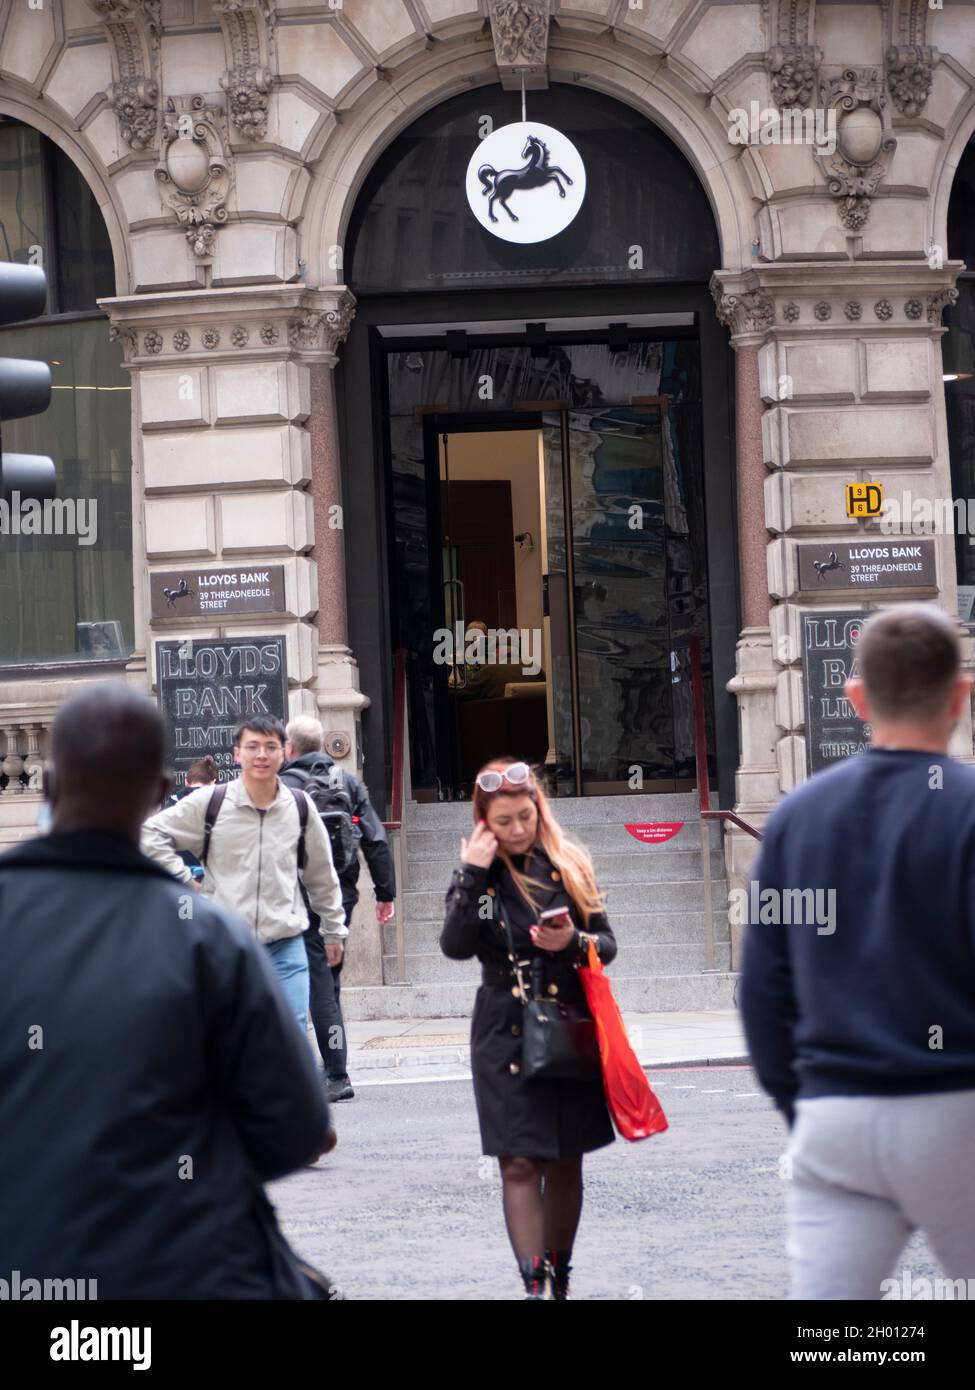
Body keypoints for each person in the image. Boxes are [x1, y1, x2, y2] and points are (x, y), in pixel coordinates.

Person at [0, 683, 336, 1299]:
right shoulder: (212, 943)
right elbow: (296, 1127)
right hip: (179, 1269)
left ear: (47, 786)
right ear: (159, 794)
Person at [740, 604, 975, 1300]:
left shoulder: (795, 816)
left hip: (835, 1111)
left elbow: (760, 993)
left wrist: (803, 1102)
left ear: (856, 698)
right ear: (961, 693)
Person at [440, 756, 617, 1300]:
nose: (517, 830)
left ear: (539, 809)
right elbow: (454, 946)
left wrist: (575, 944)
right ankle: (534, 1286)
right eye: (504, 821)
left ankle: (560, 1280)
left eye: (526, 816)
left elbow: (607, 944)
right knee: (517, 1161)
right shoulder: (477, 875)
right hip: (502, 1027)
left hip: (565, 1024)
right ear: (483, 822)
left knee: (565, 1161)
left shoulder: (569, 865)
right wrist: (471, 873)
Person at [142, 715, 346, 1036]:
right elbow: (150, 834)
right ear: (237, 754)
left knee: (289, 1038)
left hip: (285, 945)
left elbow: (321, 874)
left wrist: (334, 930)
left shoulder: (299, 806)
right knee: (228, 1042)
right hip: (225, 949)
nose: (261, 755)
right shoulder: (212, 802)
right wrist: (186, 880)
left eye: (270, 747)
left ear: (285, 752)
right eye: (252, 747)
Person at [281, 716, 396, 1103]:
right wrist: (385, 893)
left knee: (318, 984)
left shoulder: (284, 786)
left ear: (289, 748)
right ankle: (326, 1066)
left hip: (298, 896)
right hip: (342, 895)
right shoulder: (347, 783)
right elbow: (375, 838)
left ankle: (335, 1073)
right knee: (327, 981)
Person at [166, 754, 219, 878]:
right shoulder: (223, 805)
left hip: (179, 878)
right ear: (213, 782)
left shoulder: (170, 807)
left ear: (186, 781)